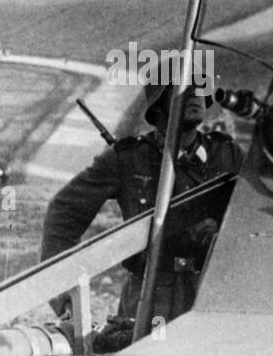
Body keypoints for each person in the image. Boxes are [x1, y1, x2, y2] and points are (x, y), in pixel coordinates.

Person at [40, 82, 242, 332]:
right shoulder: (127, 157)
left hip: (211, 293)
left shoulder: (228, 154)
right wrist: (64, 297)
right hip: (150, 298)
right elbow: (63, 213)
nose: (194, 94)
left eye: (200, 87)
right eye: (181, 87)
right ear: (158, 104)